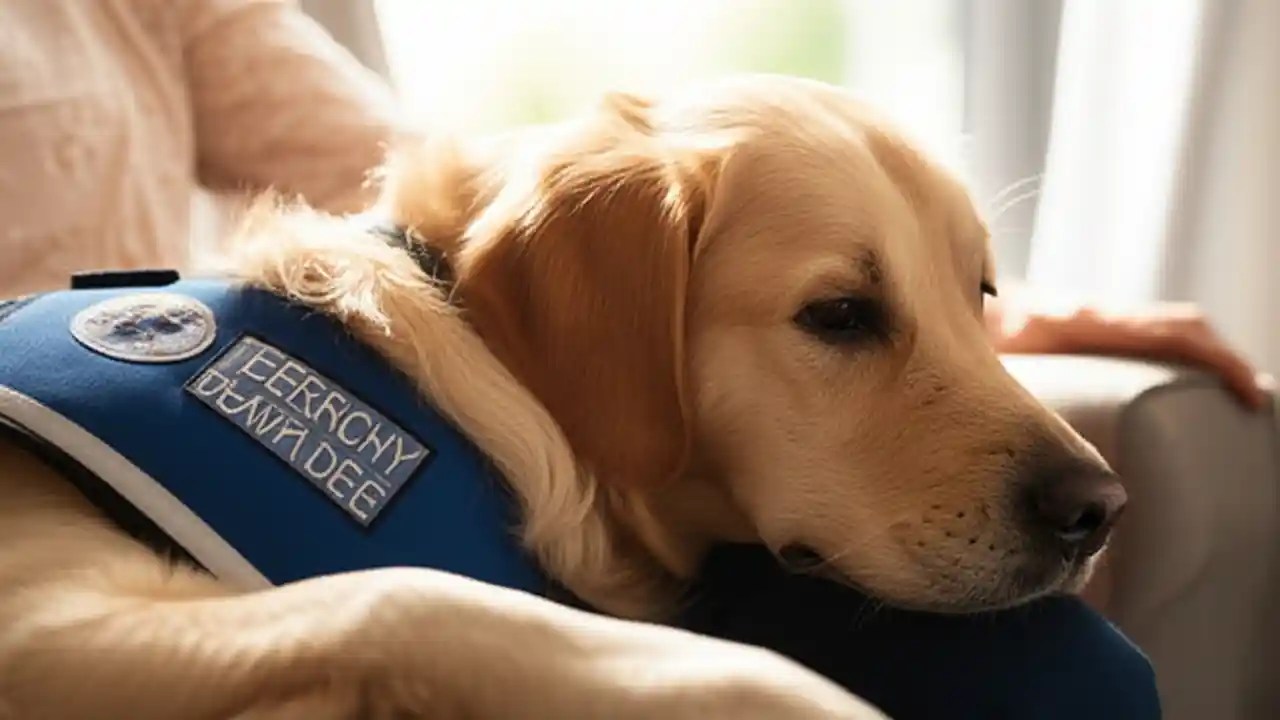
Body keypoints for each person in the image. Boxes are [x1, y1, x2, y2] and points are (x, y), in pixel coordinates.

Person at [2, 3, 1268, 718]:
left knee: (1052, 683)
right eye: (841, 320)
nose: (1083, 487)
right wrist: (420, 640)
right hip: (122, 445)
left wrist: (943, 302)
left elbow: (433, 189)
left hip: (556, 486)